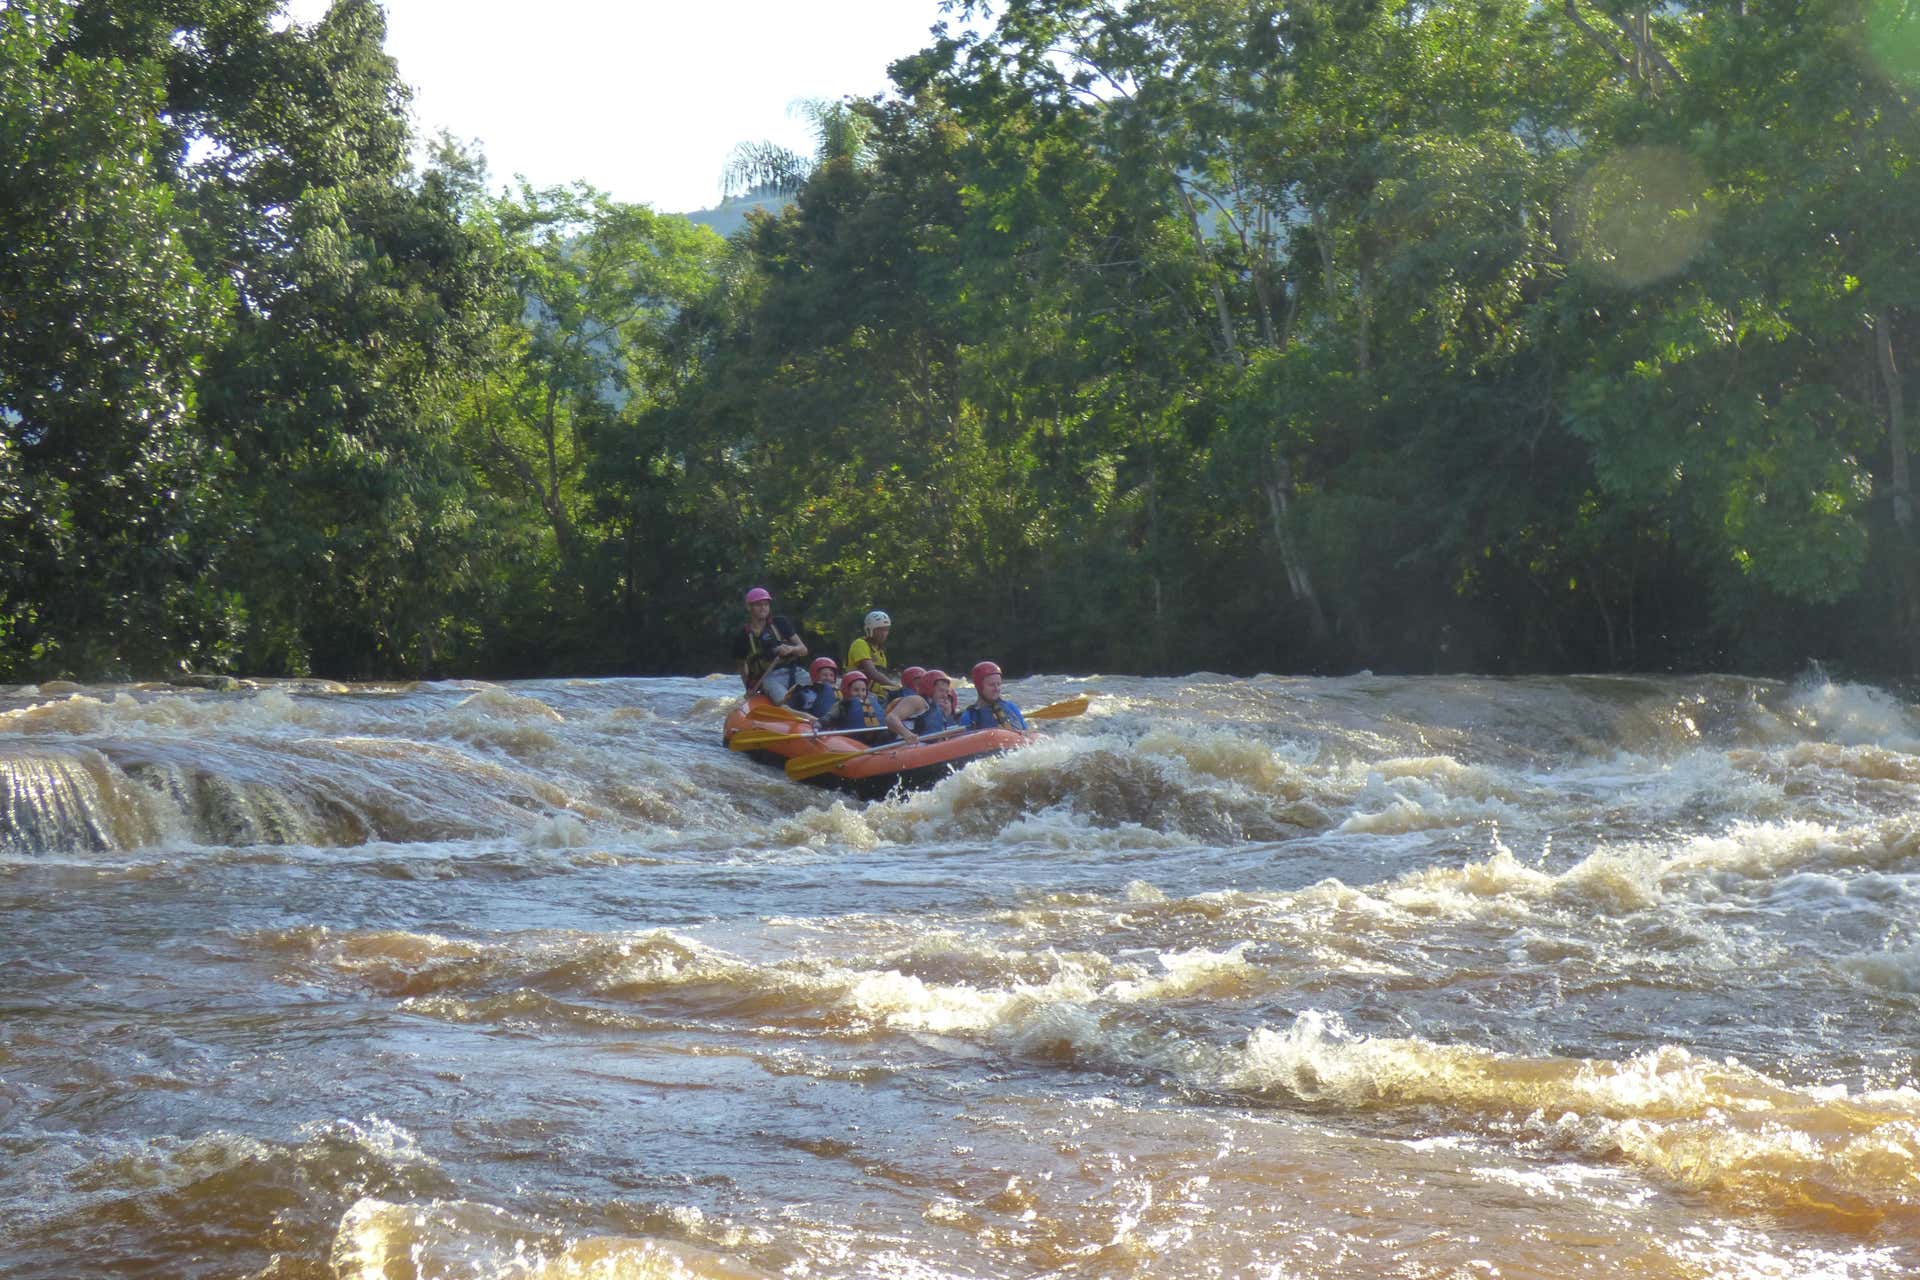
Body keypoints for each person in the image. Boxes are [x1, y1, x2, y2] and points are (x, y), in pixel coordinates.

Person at [731, 586, 807, 704]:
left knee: (816, 691)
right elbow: (741, 665)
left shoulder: (780, 623)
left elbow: (803, 649)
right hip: (768, 678)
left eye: (766, 604)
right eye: (758, 605)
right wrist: (749, 687)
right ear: (749, 607)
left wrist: (790, 649)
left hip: (794, 672)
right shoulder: (743, 636)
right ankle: (787, 708)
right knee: (785, 701)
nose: (763, 608)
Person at [885, 668, 958, 744]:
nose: (945, 696)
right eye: (941, 690)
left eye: (946, 692)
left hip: (928, 749)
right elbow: (891, 718)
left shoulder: (937, 708)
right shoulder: (917, 700)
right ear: (929, 688)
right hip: (905, 748)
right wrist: (907, 734)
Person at [957, 661, 1028, 730]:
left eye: (999, 684)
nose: (996, 689)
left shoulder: (1011, 707)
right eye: (991, 685)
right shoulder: (970, 716)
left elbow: (1028, 734)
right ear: (979, 686)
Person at [820, 668, 889, 734]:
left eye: (863, 690)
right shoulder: (841, 705)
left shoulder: (872, 701)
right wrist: (820, 722)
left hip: (876, 736)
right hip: (852, 739)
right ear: (846, 690)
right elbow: (829, 717)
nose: (860, 694)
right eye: (856, 690)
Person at [845, 610, 898, 692]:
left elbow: (882, 677)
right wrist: (895, 686)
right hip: (863, 694)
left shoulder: (880, 651)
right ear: (869, 630)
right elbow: (872, 673)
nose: (884, 633)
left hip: (880, 696)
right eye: (880, 630)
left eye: (886, 629)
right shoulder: (860, 644)